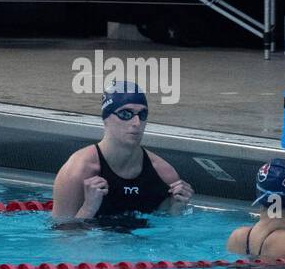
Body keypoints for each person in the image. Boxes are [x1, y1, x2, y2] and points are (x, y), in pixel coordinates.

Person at [52, 82, 193, 220]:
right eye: (126, 114)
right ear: (106, 118)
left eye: (142, 114)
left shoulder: (164, 175)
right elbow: (62, 238)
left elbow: (167, 233)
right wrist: (88, 208)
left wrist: (176, 210)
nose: (137, 122)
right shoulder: (78, 172)